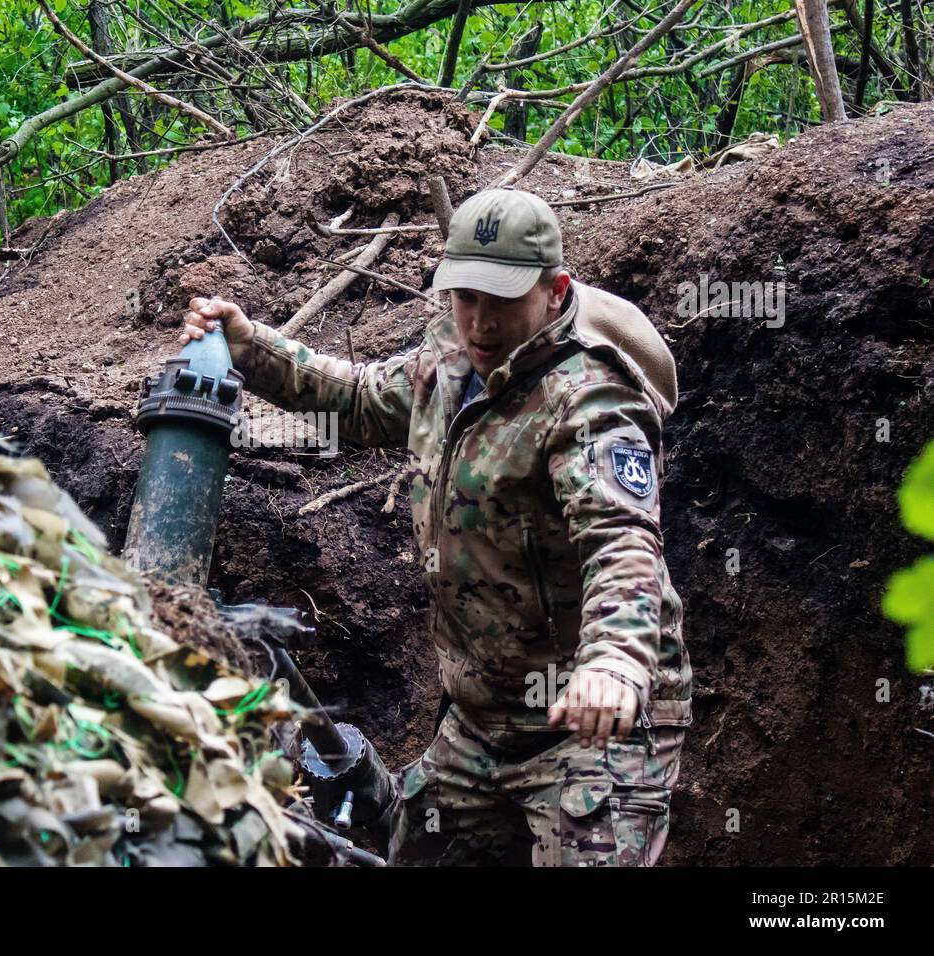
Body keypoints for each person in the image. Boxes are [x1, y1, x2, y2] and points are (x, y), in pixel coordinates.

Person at [179, 188, 692, 866]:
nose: (479, 323)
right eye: (465, 298)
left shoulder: (590, 402)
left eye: (501, 302)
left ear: (554, 289)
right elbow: (359, 400)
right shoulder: (451, 362)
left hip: (594, 733)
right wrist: (253, 348)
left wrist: (615, 662)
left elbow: (621, 541)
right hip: (482, 723)